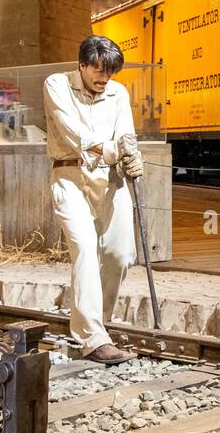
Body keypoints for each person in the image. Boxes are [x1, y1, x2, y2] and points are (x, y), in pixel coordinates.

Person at [43, 38, 144, 365]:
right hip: (70, 177)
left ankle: (98, 325)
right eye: (99, 71)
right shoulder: (57, 84)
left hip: (111, 180)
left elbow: (125, 134)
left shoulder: (118, 93)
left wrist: (131, 154)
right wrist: (111, 149)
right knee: (86, 247)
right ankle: (92, 338)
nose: (104, 78)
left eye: (110, 73)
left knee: (119, 254)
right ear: (82, 65)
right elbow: (70, 130)